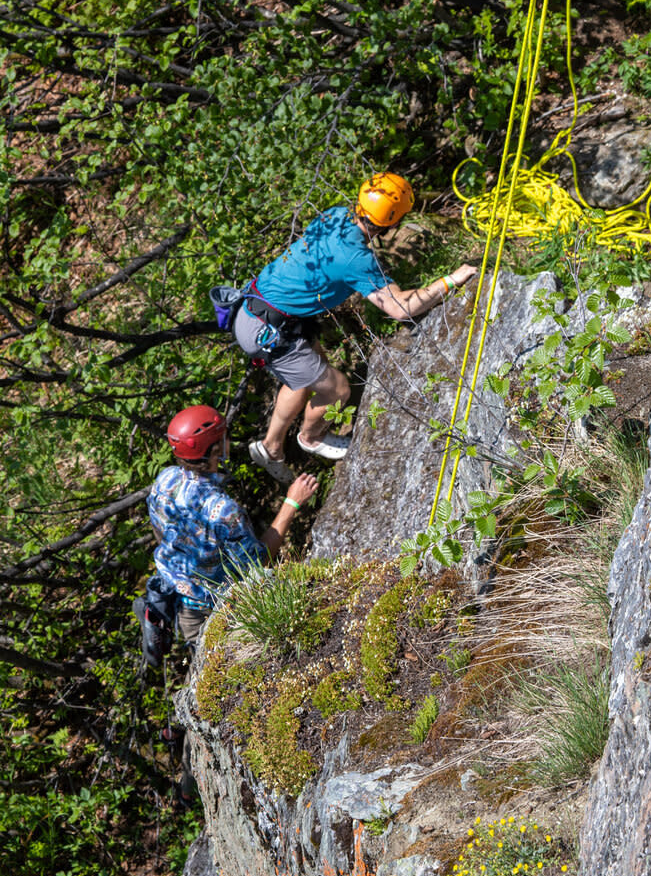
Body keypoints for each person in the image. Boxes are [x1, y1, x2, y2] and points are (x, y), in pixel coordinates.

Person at [233, 172, 477, 482]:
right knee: (337, 390)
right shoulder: (355, 259)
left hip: (256, 309)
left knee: (307, 374)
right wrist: (452, 279)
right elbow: (400, 308)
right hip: (270, 329)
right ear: (393, 223)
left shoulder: (335, 216)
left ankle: (270, 447)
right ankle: (310, 438)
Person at [147, 404, 318, 646]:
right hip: (212, 610)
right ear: (216, 449)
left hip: (177, 599)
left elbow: (159, 532)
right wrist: (292, 503)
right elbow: (258, 562)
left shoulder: (165, 480)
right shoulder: (224, 512)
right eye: (224, 437)